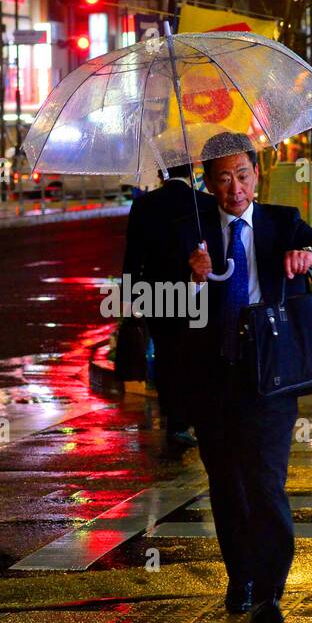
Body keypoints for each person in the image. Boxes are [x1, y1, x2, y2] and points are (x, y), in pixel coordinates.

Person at [178, 132, 312, 623]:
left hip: (270, 374)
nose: (236, 187)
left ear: (257, 175)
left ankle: (271, 589)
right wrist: (189, 278)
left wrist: (309, 259)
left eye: (244, 175)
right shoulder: (194, 229)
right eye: (224, 178)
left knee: (266, 481)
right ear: (209, 184)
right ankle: (241, 577)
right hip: (213, 377)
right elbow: (157, 298)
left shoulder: (280, 221)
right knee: (226, 482)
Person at [121, 163, 215, 451]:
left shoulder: (144, 205)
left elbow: (133, 255)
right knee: (196, 353)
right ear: (192, 173)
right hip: (195, 290)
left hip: (155, 292)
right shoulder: (205, 204)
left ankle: (175, 422)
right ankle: (198, 416)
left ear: (161, 173)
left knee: (165, 355)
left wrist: (130, 299)